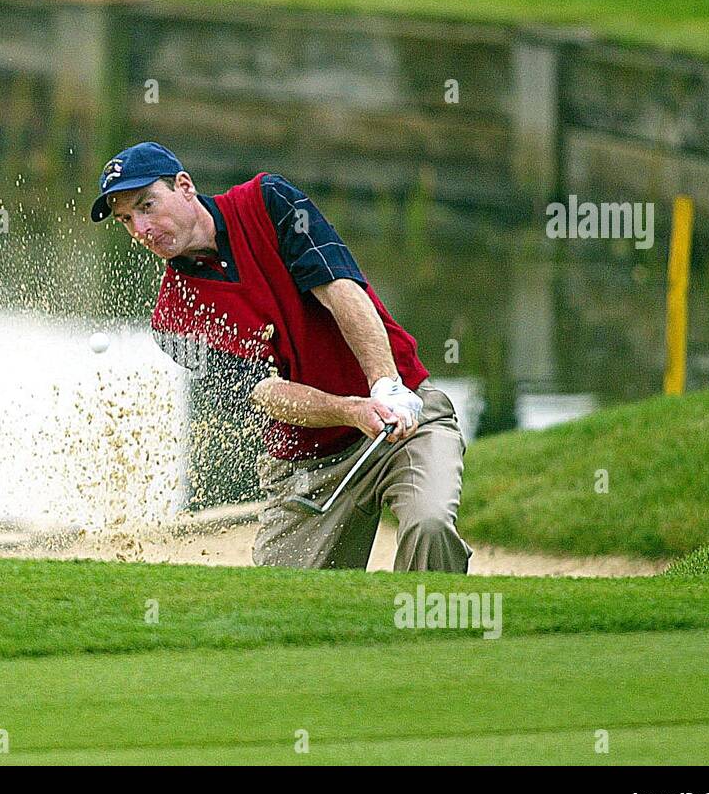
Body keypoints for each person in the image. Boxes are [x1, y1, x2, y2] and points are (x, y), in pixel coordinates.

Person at [90, 142, 473, 572]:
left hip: (406, 417)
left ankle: (433, 636)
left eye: (147, 205)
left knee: (431, 525)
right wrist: (353, 410)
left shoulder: (268, 202)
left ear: (184, 186)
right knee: (284, 604)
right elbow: (264, 393)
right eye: (126, 220)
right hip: (306, 466)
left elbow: (340, 286)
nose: (141, 228)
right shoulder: (174, 317)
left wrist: (385, 386)